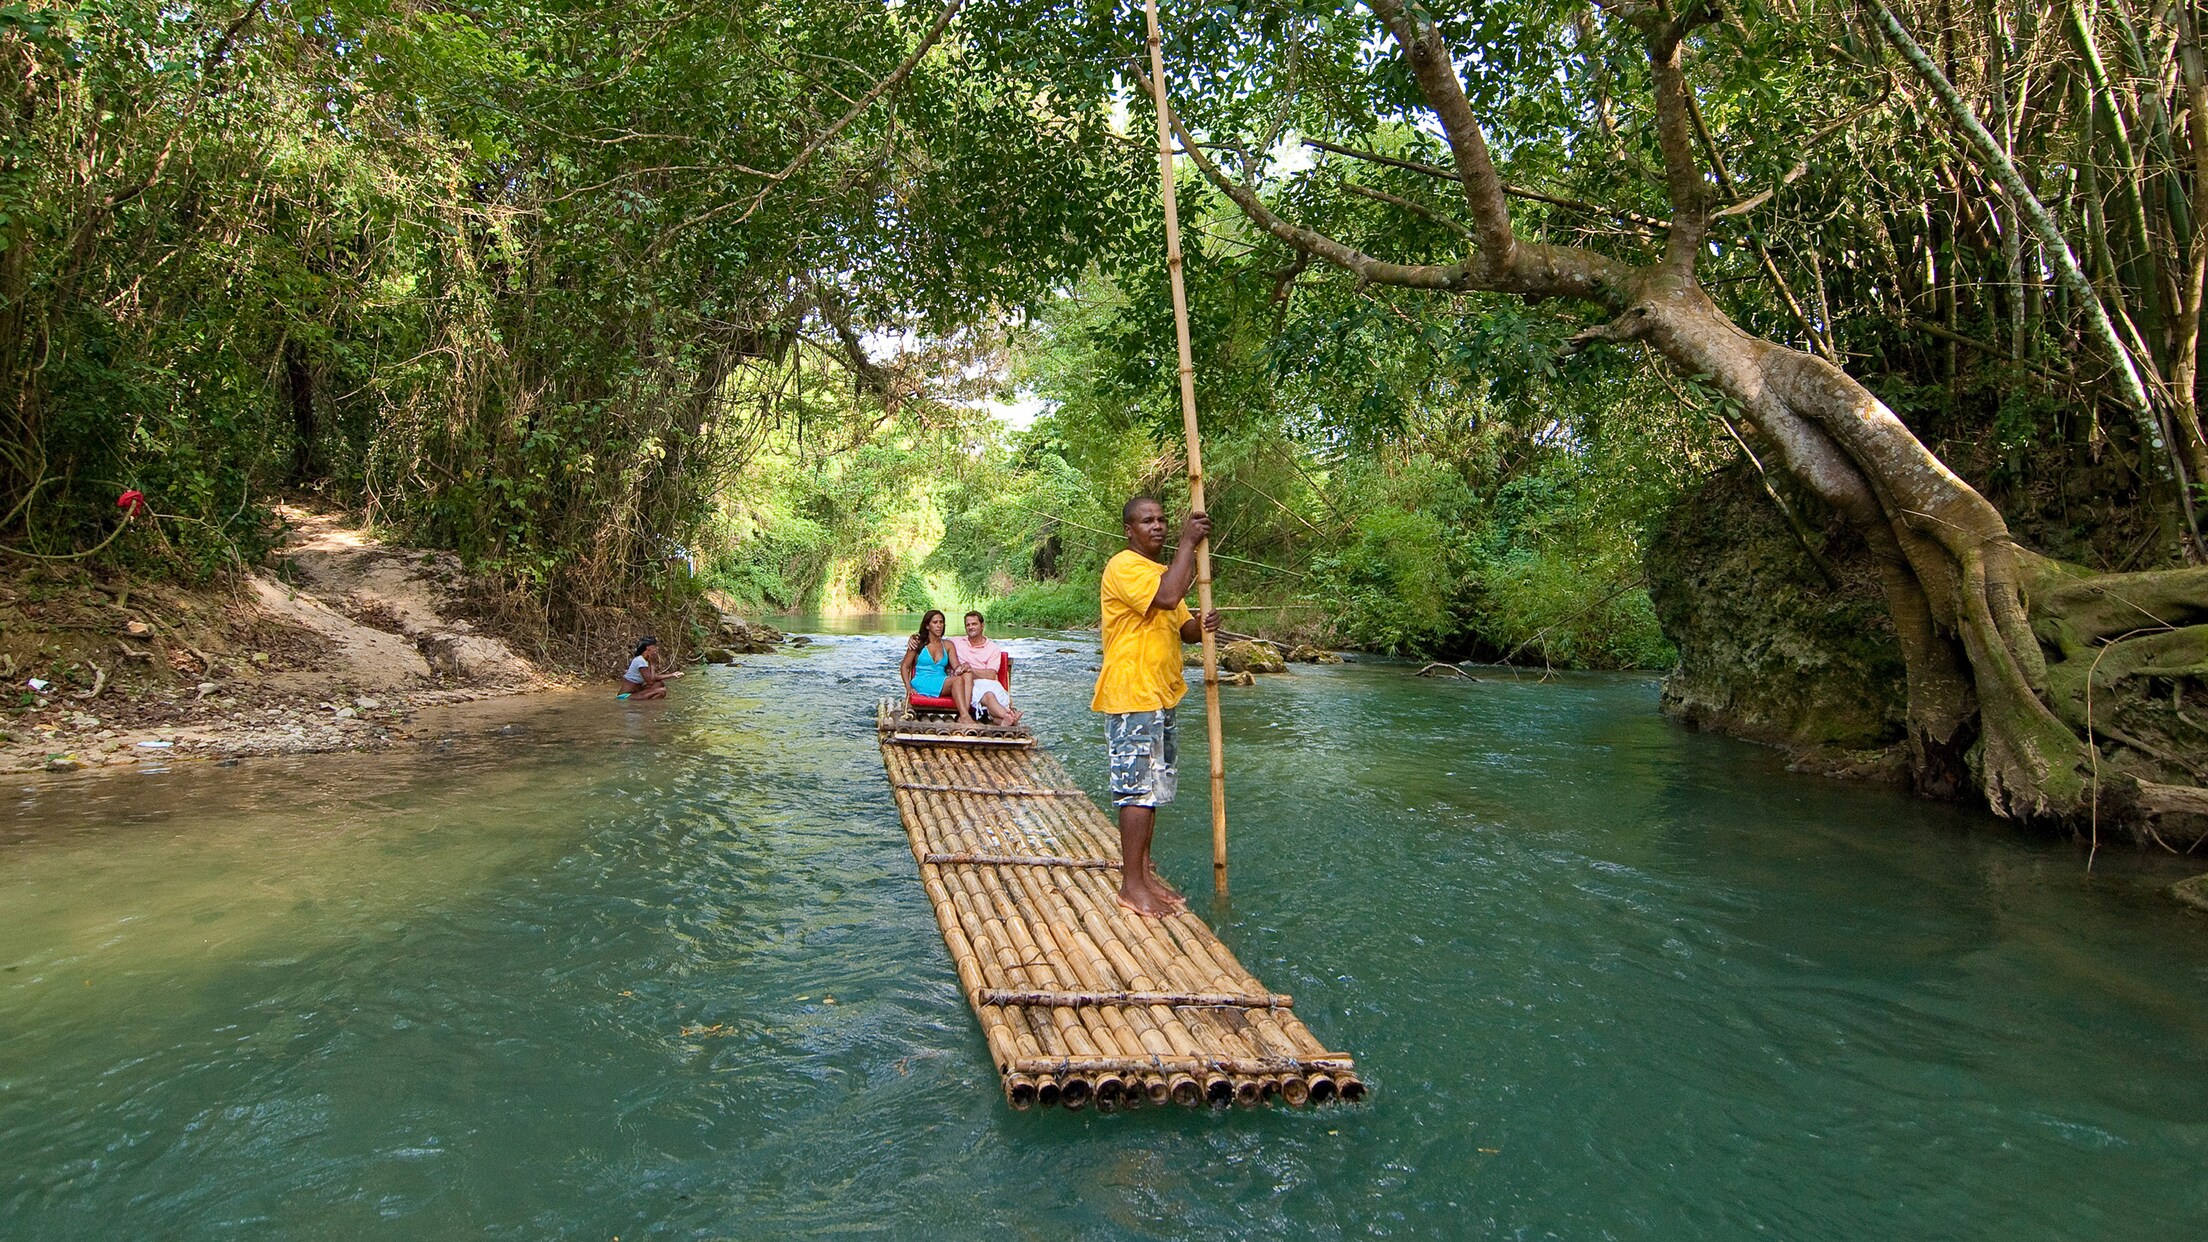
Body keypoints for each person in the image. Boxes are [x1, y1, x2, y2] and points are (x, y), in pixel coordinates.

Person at [1093, 496, 1220, 918]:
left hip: (1161, 694)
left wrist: (1203, 624)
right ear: (1129, 530)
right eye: (1147, 521)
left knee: (1153, 791)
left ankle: (1144, 874)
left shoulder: (1164, 572)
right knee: (1136, 791)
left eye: (1163, 520)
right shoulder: (1124, 567)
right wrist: (1188, 541)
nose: (1158, 526)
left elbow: (1182, 625)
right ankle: (1131, 886)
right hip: (1132, 693)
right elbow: (1166, 597)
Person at [901, 608, 979, 724]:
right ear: (927, 626)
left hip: (941, 680)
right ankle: (965, 716)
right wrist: (908, 688)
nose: (939, 626)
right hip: (922, 680)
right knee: (956, 681)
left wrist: (963, 668)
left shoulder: (948, 645)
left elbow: (956, 667)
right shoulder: (918, 643)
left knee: (964, 676)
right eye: (935, 622)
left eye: (941, 622)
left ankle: (964, 715)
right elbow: (904, 666)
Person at [951, 610, 1021, 726]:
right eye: (968, 625)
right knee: (989, 696)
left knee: (991, 696)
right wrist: (915, 638)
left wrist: (971, 669)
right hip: (969, 684)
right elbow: (935, 640)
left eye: (974, 624)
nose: (970, 627)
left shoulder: (993, 648)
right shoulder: (956, 642)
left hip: (990, 683)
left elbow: (991, 674)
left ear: (982, 626)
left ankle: (1005, 720)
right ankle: (1009, 716)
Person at [619, 636, 682, 700]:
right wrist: (652, 665)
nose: (656, 649)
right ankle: (649, 708)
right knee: (661, 692)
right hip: (625, 696)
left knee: (659, 684)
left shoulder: (643, 660)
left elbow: (653, 677)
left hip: (634, 692)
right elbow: (651, 682)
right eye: (654, 647)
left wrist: (673, 675)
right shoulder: (640, 661)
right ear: (648, 648)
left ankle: (647, 705)